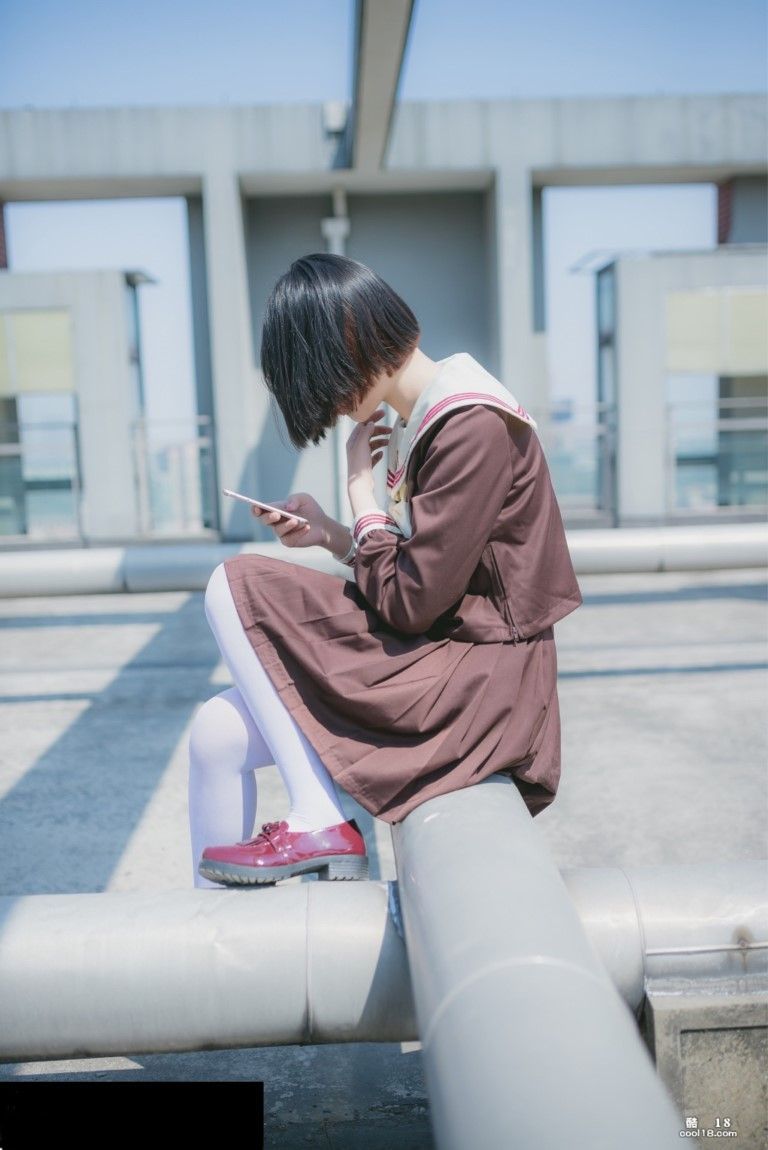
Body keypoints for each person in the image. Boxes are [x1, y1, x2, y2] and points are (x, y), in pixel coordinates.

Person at [189, 253, 583, 888]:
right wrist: (334, 535)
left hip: (478, 687)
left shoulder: (471, 423)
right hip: (443, 662)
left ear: (349, 339)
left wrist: (359, 492)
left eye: (321, 378)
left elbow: (411, 602)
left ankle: (319, 815)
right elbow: (416, 578)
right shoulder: (422, 421)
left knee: (233, 586)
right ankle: (204, 930)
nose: (334, 404)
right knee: (216, 733)